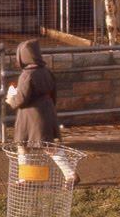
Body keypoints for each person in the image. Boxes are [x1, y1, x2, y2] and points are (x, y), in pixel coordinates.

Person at [5, 39, 77, 185]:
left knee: (35, 146)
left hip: (31, 116)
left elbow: (22, 99)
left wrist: (11, 99)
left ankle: (70, 174)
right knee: (29, 144)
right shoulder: (46, 71)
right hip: (46, 111)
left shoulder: (27, 75)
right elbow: (53, 93)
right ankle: (26, 177)